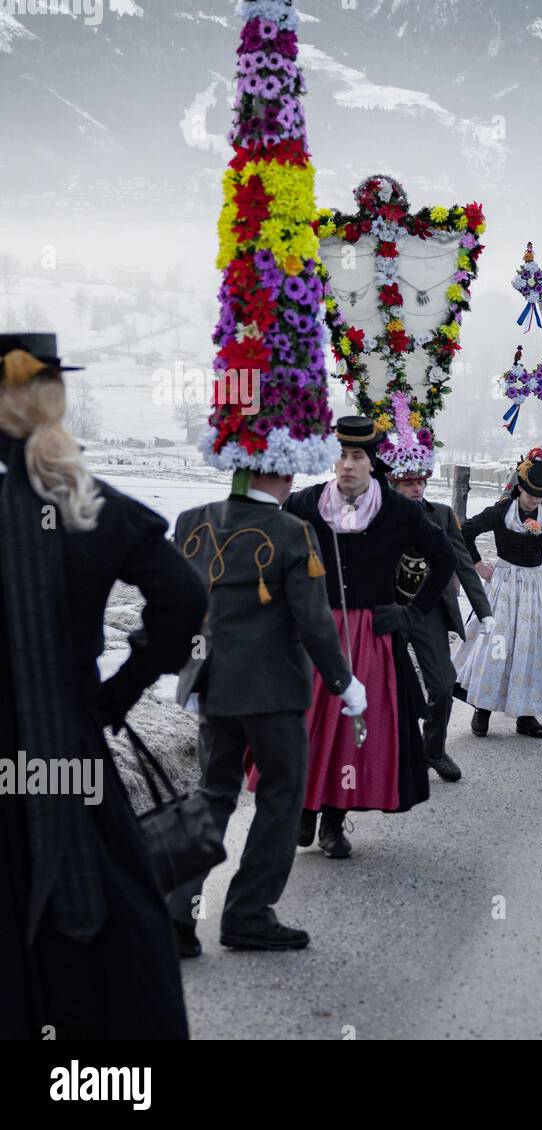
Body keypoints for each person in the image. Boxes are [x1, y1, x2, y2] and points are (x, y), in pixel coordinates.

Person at [0, 333, 206, 1038]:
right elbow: (183, 598)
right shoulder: (93, 503)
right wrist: (120, 690)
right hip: (71, 749)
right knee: (111, 936)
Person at [169, 468, 363, 956]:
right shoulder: (293, 532)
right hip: (273, 690)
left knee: (215, 793)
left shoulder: (192, 521)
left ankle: (176, 917)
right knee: (281, 796)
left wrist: (188, 669)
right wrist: (344, 683)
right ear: (281, 471)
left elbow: (173, 605)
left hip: (213, 684)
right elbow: (314, 621)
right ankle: (248, 914)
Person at [283, 417, 456, 859]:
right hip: (315, 634)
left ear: (374, 462)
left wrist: (410, 612)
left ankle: (333, 822)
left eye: (357, 456)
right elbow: (278, 558)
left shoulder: (399, 513)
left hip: (369, 638)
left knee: (349, 729)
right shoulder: (304, 505)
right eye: (342, 455)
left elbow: (442, 559)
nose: (347, 465)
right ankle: (305, 805)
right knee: (308, 723)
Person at [381, 395, 493, 782]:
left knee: (443, 684)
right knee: (388, 689)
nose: (416, 489)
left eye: (421, 481)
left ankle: (434, 749)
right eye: (408, 482)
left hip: (428, 610)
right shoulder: (375, 515)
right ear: (393, 482)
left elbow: (462, 562)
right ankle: (394, 753)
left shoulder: (442, 515)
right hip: (386, 610)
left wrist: (485, 612)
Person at [454, 457, 542, 738]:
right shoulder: (500, 512)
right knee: (496, 645)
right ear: (520, 488)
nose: (535, 501)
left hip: (534, 587)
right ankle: (482, 709)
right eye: (531, 494)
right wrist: (479, 566)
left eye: (541, 496)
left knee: (531, 647)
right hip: (504, 585)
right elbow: (465, 531)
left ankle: (526, 714)